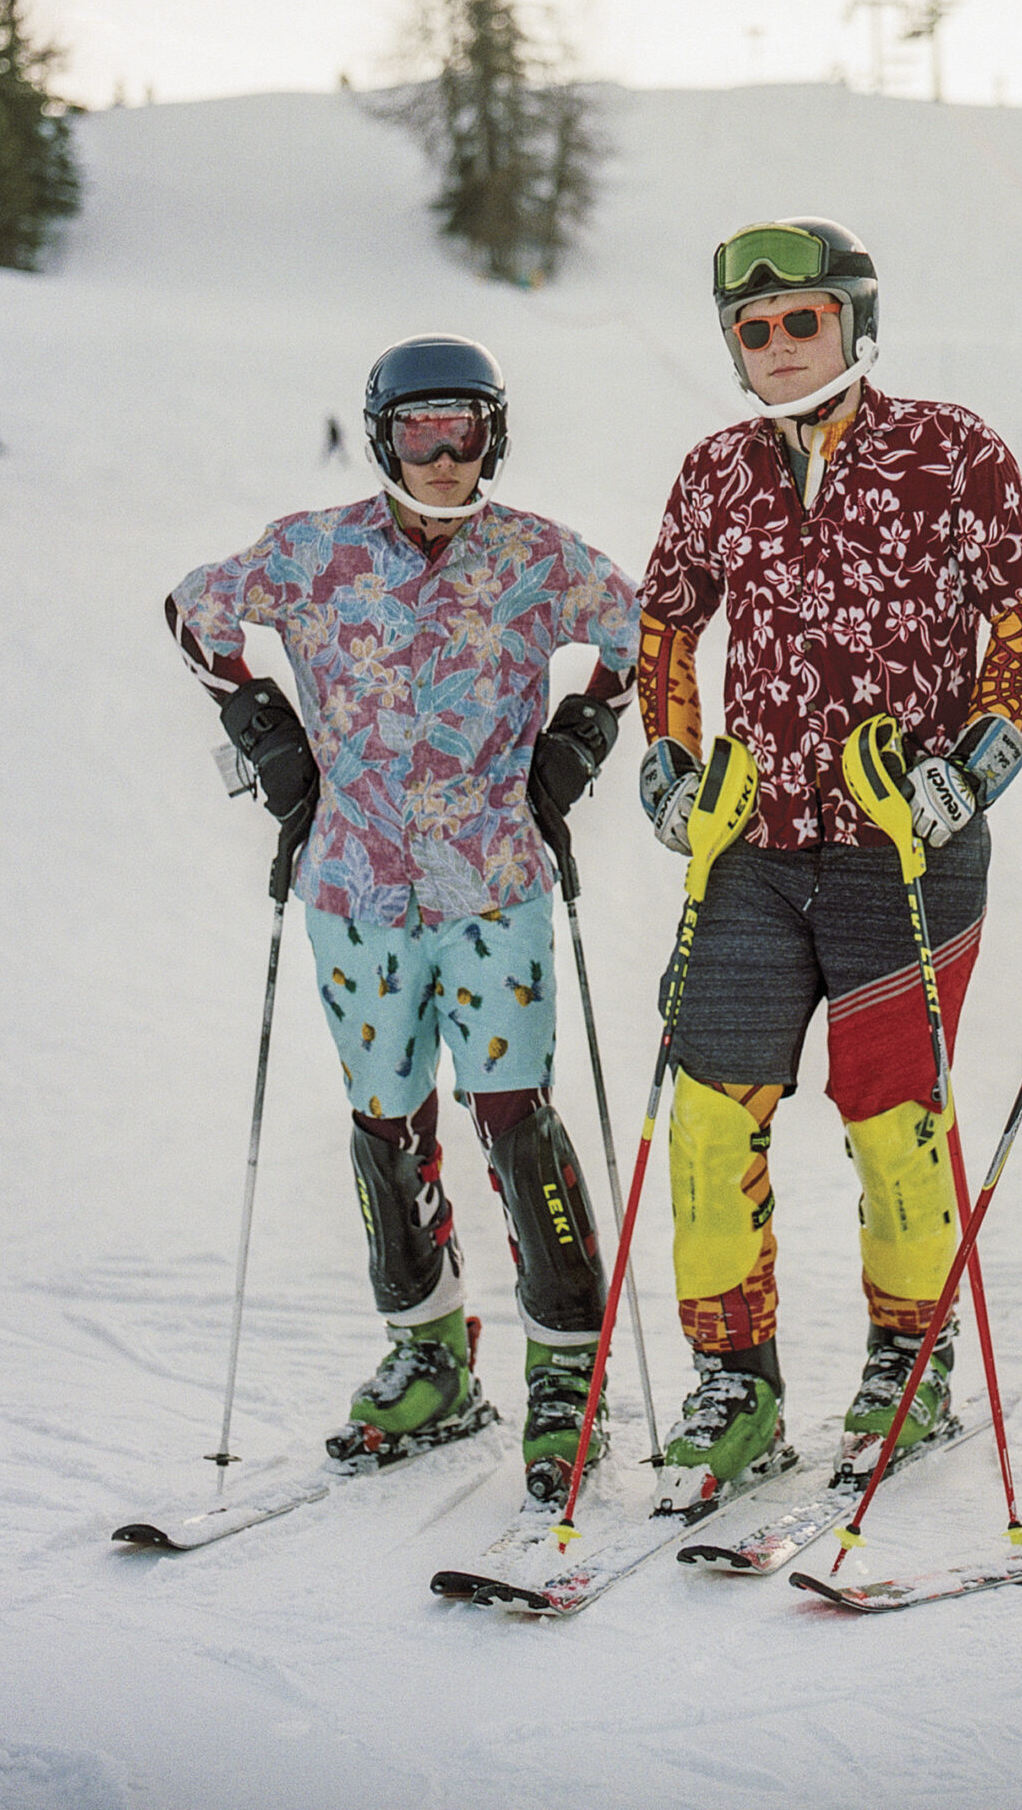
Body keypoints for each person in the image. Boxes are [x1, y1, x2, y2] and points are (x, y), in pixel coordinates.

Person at [166, 336, 641, 1502]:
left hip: (491, 886)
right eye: (420, 431)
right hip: (356, 890)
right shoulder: (314, 551)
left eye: (464, 429)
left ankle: (567, 1371)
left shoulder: (536, 557)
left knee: (512, 1119)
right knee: (385, 1125)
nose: (442, 455)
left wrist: (578, 739)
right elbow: (194, 607)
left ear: (496, 431)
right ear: (383, 435)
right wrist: (267, 732)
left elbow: (639, 634)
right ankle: (428, 1354)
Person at [632, 218, 1022, 1511]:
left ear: (854, 324)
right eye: (752, 331)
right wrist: (671, 767)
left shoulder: (951, 449)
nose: (774, 347)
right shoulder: (713, 472)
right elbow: (664, 622)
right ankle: (735, 1383)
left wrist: (971, 765)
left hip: (901, 846)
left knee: (889, 1122)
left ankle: (903, 1369)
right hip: (754, 849)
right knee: (709, 1120)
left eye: (799, 322)